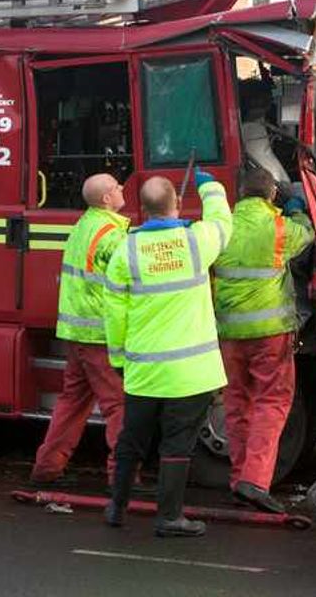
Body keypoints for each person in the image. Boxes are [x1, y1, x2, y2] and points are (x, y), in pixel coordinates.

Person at [103, 170, 232, 537]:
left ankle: (117, 506)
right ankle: (170, 517)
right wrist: (210, 185)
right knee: (177, 444)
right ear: (176, 205)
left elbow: (114, 313)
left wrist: (117, 360)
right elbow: (223, 221)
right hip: (191, 373)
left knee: (133, 439)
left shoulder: (125, 251)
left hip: (144, 371)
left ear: (142, 210)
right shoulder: (197, 241)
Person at [212, 169, 314, 513]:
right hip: (270, 334)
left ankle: (238, 477)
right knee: (271, 403)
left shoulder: (220, 227)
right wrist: (296, 206)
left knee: (236, 404)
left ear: (239, 194)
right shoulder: (279, 227)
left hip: (228, 334)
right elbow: (308, 233)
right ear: (272, 196)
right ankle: (254, 481)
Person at [31, 173, 130, 485]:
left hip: (77, 334)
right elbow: (135, 267)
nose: (122, 188)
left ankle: (47, 469)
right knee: (120, 407)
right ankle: (123, 478)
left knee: (72, 402)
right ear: (105, 199)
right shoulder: (111, 234)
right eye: (117, 187)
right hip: (99, 335)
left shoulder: (85, 225)